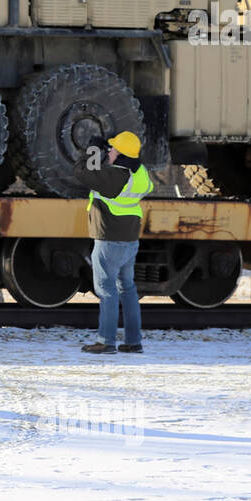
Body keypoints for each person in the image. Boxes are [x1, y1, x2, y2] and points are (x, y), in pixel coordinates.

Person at [72, 130, 153, 354]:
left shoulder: (115, 178)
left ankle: (105, 341)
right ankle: (134, 342)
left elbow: (81, 171)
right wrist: (105, 154)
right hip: (129, 239)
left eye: (113, 149)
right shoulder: (140, 174)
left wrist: (92, 150)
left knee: (107, 290)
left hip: (109, 238)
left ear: (122, 154)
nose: (110, 151)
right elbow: (104, 171)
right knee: (128, 289)